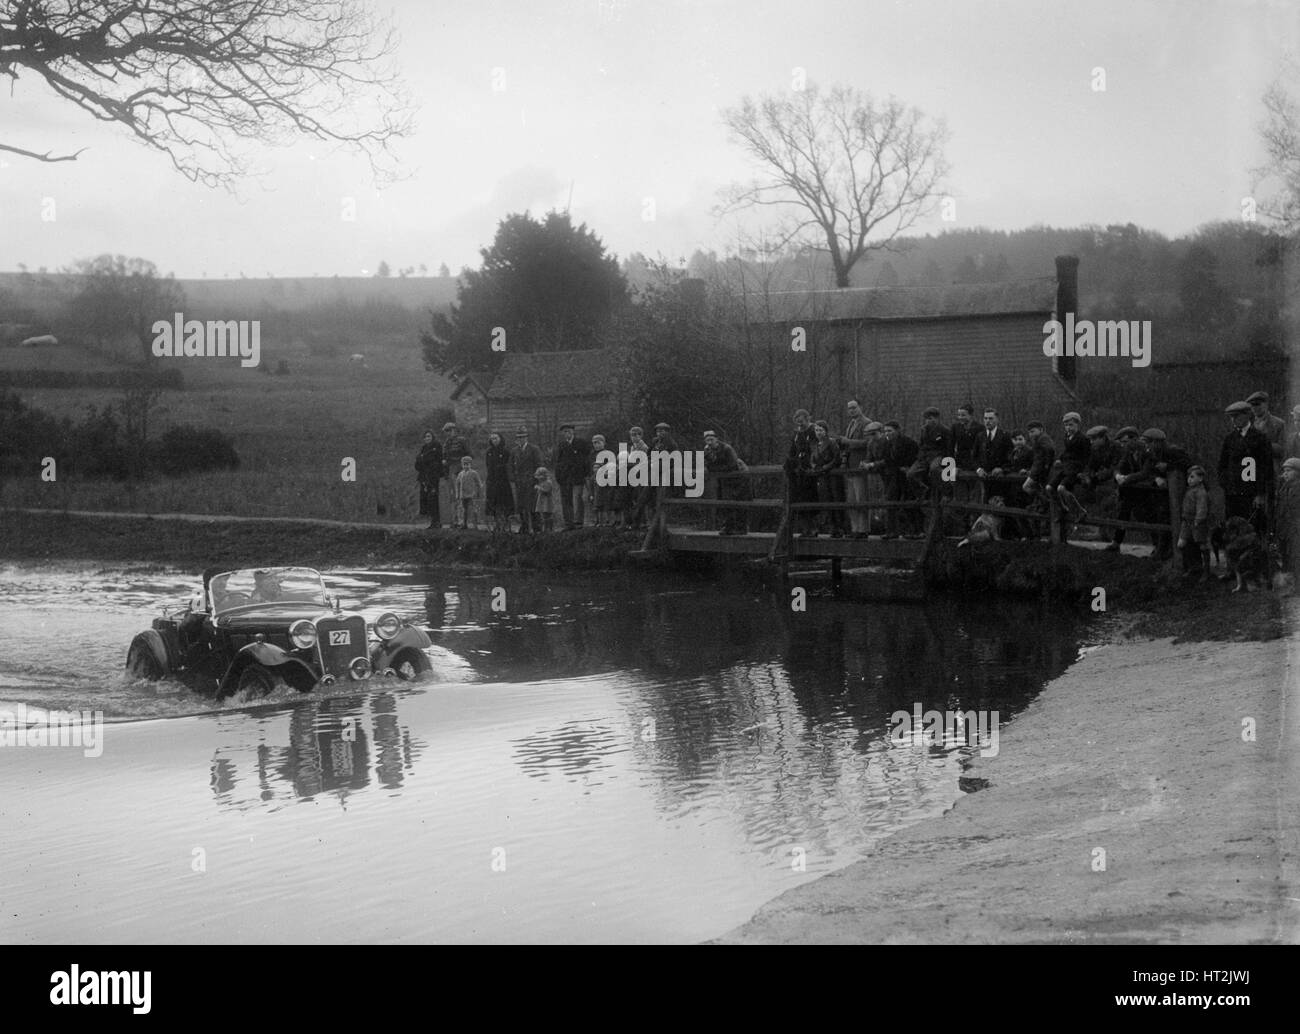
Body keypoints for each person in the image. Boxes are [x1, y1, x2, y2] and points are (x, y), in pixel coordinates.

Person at [1218, 401, 1271, 538]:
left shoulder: (1260, 438)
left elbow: (1265, 468)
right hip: (1233, 494)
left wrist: (1260, 494)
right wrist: (1226, 484)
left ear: (1247, 416)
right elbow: (1222, 465)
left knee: (1253, 529)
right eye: (1231, 417)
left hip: (1251, 494)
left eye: (1236, 416)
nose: (1233, 420)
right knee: (1233, 530)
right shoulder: (1229, 439)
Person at [1106, 427, 1146, 552]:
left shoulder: (1145, 452)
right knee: (1123, 513)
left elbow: (1145, 472)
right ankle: (1116, 542)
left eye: (1125, 442)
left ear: (1134, 439)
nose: (1123, 445)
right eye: (1122, 443)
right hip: (1132, 490)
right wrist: (1118, 475)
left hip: (1148, 490)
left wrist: (1127, 478)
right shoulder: (1127, 453)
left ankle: (1158, 545)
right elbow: (1119, 467)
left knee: (1148, 516)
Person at [839, 400, 874, 536]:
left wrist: (849, 442)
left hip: (860, 464)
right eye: (849, 408)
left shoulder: (867, 423)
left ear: (861, 407)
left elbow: (869, 442)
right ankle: (855, 528)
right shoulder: (851, 424)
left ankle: (863, 529)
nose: (852, 410)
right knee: (852, 500)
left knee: (861, 498)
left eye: (854, 407)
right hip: (850, 466)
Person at [703, 430, 748, 535]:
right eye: (707, 440)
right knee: (725, 502)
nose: (709, 442)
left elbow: (732, 465)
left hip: (738, 477)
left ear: (716, 439)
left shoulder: (727, 448)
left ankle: (740, 528)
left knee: (738, 502)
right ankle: (728, 527)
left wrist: (717, 469)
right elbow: (709, 466)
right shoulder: (708, 451)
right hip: (725, 479)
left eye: (711, 439)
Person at [1051, 411, 1092, 525]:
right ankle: (1062, 508)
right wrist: (1060, 458)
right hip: (1066, 467)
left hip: (1075, 469)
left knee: (1061, 489)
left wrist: (1083, 472)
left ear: (1077, 424)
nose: (1068, 428)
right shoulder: (1067, 437)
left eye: (1071, 425)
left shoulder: (1083, 439)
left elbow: (1087, 457)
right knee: (1050, 488)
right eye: (1066, 425)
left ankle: (1080, 511)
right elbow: (1067, 452)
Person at [552, 423, 593, 530]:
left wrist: (586, 473)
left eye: (569, 431)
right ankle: (568, 523)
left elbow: (586, 459)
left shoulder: (581, 443)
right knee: (566, 501)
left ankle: (578, 522)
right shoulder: (561, 445)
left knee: (577, 499)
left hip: (578, 477)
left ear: (573, 432)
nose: (567, 434)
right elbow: (558, 462)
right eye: (565, 432)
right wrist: (559, 476)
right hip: (565, 478)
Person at [784, 409, 818, 535]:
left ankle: (813, 528)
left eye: (802, 421)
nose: (800, 424)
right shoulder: (796, 433)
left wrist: (811, 464)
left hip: (809, 469)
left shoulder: (813, 430)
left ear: (807, 419)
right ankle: (805, 528)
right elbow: (792, 450)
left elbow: (815, 449)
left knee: (810, 498)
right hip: (798, 470)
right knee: (799, 498)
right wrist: (791, 463)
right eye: (798, 422)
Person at [907, 407, 951, 503]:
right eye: (927, 419)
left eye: (931, 418)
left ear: (937, 418)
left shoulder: (944, 430)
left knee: (935, 469)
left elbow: (948, 447)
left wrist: (946, 461)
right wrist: (920, 457)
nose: (928, 421)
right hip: (925, 456)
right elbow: (921, 445)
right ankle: (922, 493)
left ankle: (946, 492)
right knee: (911, 473)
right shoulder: (923, 430)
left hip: (938, 455)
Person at [808, 419, 843, 537]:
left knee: (836, 499)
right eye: (816, 430)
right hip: (821, 476)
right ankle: (831, 527)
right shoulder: (814, 445)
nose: (818, 432)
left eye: (821, 430)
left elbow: (837, 458)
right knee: (825, 500)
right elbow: (812, 459)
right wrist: (815, 467)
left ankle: (839, 528)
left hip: (832, 475)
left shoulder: (832, 443)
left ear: (826, 431)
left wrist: (825, 467)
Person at [1177, 465, 1211, 580]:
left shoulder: (1201, 493)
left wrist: (1198, 520)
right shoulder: (1189, 490)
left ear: (1200, 479)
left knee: (1202, 545)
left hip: (1197, 522)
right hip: (1187, 521)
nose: (1189, 479)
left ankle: (1206, 571)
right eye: (1189, 477)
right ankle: (1193, 567)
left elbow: (1202, 508)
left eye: (1192, 477)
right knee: (1181, 544)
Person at [510, 425, 543, 534]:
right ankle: (524, 526)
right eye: (519, 437)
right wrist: (513, 478)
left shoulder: (534, 449)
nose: (521, 439)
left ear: (527, 438)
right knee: (521, 506)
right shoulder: (514, 451)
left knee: (533, 505)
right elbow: (510, 466)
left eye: (523, 437)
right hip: (519, 482)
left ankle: (537, 527)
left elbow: (539, 465)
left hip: (531, 481)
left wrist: (537, 479)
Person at [950, 403, 982, 511]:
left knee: (975, 495)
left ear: (971, 415)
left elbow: (981, 449)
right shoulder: (955, 427)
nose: (960, 418)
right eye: (959, 415)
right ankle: (962, 522)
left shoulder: (979, 428)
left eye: (963, 415)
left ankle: (974, 519)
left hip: (974, 464)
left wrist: (978, 466)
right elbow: (951, 446)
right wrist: (952, 465)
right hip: (960, 463)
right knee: (960, 495)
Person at [484, 431, 514, 533]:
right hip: (492, 481)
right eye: (492, 439)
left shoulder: (505, 451)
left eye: (496, 438)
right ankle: (497, 524)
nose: (494, 440)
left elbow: (508, 465)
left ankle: (505, 524)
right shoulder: (489, 452)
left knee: (504, 503)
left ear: (500, 439)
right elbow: (488, 466)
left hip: (503, 481)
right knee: (494, 503)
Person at [414, 430, 444, 529]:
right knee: (426, 500)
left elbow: (437, 461)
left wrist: (424, 459)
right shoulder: (423, 448)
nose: (427, 438)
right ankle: (432, 522)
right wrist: (422, 459)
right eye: (425, 437)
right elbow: (418, 464)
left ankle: (437, 522)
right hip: (424, 477)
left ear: (432, 437)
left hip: (433, 477)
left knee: (433, 498)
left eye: (429, 436)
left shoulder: (437, 446)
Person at [441, 421, 470, 523]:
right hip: (449, 471)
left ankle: (463, 521)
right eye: (446, 431)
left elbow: (469, 455)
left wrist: (464, 468)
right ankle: (455, 520)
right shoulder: (446, 443)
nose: (448, 433)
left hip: (460, 470)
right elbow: (444, 457)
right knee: (452, 496)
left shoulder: (462, 441)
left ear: (454, 430)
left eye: (449, 430)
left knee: (462, 496)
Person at [590, 434, 616, 527]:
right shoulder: (592, 454)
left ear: (604, 443)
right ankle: (599, 521)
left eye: (598, 442)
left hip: (606, 481)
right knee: (597, 501)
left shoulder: (608, 454)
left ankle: (610, 521)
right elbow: (591, 468)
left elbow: (612, 468)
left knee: (607, 501)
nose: (596, 445)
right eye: (594, 443)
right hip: (595, 481)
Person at [454, 455, 483, 530]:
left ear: (470, 464)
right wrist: (457, 494)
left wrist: (479, 492)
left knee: (473, 509)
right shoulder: (460, 474)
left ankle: (475, 524)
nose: (465, 466)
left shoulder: (474, 473)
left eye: (467, 464)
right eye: (464, 464)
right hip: (463, 495)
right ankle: (463, 524)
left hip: (471, 494)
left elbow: (479, 483)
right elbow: (457, 484)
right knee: (463, 510)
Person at [532, 466, 556, 532]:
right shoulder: (541, 483)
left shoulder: (548, 482)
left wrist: (539, 488)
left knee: (547, 515)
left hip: (547, 501)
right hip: (542, 501)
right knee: (543, 516)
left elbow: (547, 490)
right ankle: (545, 528)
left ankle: (549, 528)